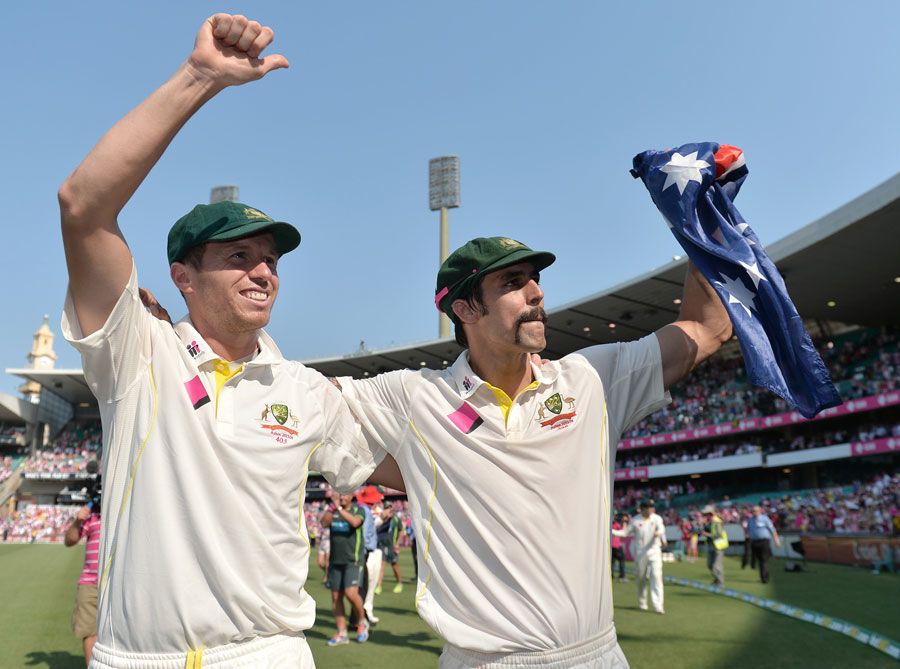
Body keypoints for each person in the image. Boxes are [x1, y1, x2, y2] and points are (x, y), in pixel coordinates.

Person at [58, 14, 384, 667]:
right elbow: (82, 205)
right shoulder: (138, 353)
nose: (264, 272)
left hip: (267, 654)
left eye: (271, 260)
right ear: (182, 275)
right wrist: (199, 77)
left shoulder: (308, 392)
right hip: (134, 657)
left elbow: (423, 464)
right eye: (239, 256)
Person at [335, 236, 732, 667]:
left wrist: (701, 227)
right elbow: (300, 403)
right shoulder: (416, 397)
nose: (537, 292)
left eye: (535, 279)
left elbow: (708, 329)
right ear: (465, 309)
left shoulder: (591, 379)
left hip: (596, 655)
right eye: (513, 281)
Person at [321, 492, 370, 645]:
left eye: (344, 494)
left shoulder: (358, 510)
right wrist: (333, 508)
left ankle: (362, 622)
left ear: (352, 496)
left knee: (351, 593)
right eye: (339, 494)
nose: (341, 497)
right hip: (336, 561)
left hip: (353, 561)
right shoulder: (333, 510)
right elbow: (324, 523)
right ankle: (342, 633)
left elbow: (355, 523)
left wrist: (339, 509)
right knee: (336, 598)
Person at [613, 500, 666, 614]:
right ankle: (643, 602)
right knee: (641, 578)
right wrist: (612, 531)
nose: (650, 510)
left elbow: (662, 528)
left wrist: (659, 533)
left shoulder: (656, 518)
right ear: (642, 509)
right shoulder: (635, 520)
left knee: (656, 576)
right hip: (640, 553)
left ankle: (658, 606)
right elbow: (625, 533)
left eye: (651, 507)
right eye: (648, 508)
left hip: (654, 551)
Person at [64, 504, 101, 666]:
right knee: (90, 633)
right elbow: (70, 541)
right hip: (90, 583)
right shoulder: (92, 516)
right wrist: (78, 521)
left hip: (119, 583)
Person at [356, 485, 384, 624]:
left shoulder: (364, 508)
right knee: (366, 584)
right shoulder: (366, 510)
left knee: (367, 584)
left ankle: (361, 615)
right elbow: (367, 532)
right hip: (367, 550)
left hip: (370, 549)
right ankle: (361, 616)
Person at [746, 505, 781, 583]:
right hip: (754, 542)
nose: (753, 512)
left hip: (764, 541)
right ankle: (764, 576)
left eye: (755, 511)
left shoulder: (765, 519)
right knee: (759, 560)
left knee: (763, 559)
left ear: (759, 511)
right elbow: (748, 530)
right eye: (752, 511)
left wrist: (776, 540)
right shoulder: (750, 520)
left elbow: (773, 530)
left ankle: (764, 578)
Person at [375, 502, 404, 594]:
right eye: (387, 507)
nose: (389, 509)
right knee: (381, 566)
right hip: (381, 545)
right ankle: (378, 586)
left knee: (394, 564)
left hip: (392, 545)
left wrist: (397, 544)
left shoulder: (396, 519)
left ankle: (399, 583)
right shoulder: (382, 518)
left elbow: (401, 531)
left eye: (390, 507)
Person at [702, 505, 727, 586]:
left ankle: (720, 583)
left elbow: (719, 534)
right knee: (710, 565)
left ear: (710, 513)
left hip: (718, 546)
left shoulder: (717, 521)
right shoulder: (708, 522)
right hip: (710, 545)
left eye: (706, 514)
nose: (705, 516)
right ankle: (717, 580)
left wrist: (707, 534)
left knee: (717, 567)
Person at [610, 513, 628, 582]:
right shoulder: (617, 524)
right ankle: (622, 576)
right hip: (617, 546)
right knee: (622, 560)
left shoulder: (611, 524)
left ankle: (611, 576)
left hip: (611, 546)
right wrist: (625, 522)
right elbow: (624, 531)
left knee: (612, 562)